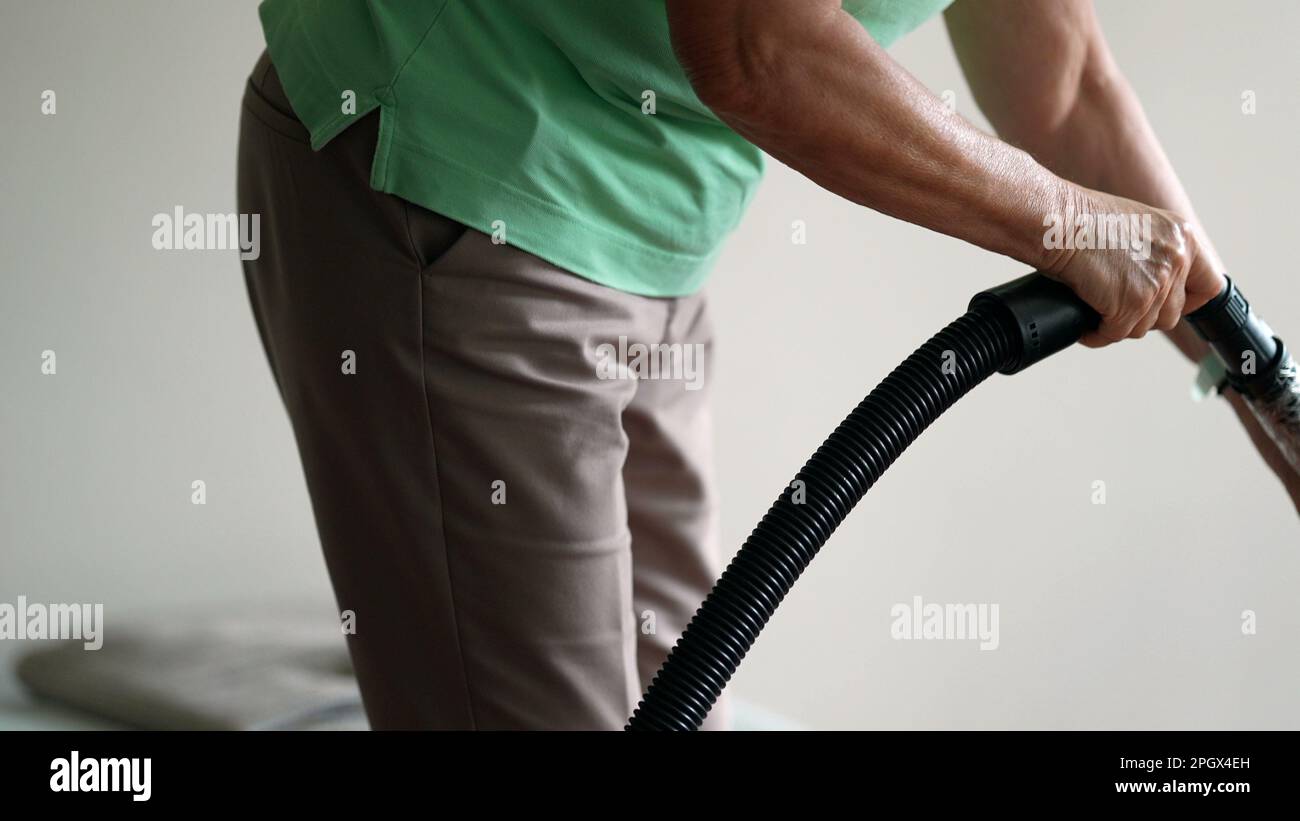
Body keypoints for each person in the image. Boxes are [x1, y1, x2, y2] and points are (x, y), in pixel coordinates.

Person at [237, 0, 1299, 730]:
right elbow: (757, 41)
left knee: (679, 691)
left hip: (650, 228)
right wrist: (1062, 221)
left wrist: (1260, 384)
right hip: (456, 157)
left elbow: (1064, 86)